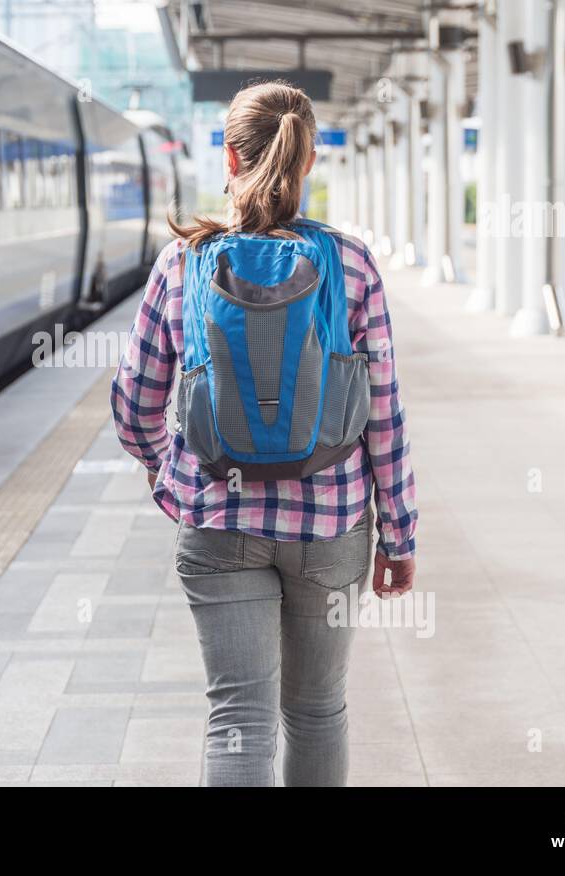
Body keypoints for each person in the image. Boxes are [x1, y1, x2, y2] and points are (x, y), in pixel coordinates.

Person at [110, 80, 417, 787]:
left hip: (218, 523)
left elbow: (134, 407)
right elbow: (385, 415)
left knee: (237, 720)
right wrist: (398, 536)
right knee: (317, 712)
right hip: (332, 528)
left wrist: (174, 483)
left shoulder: (181, 263)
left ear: (230, 155)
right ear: (309, 162)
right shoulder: (353, 264)